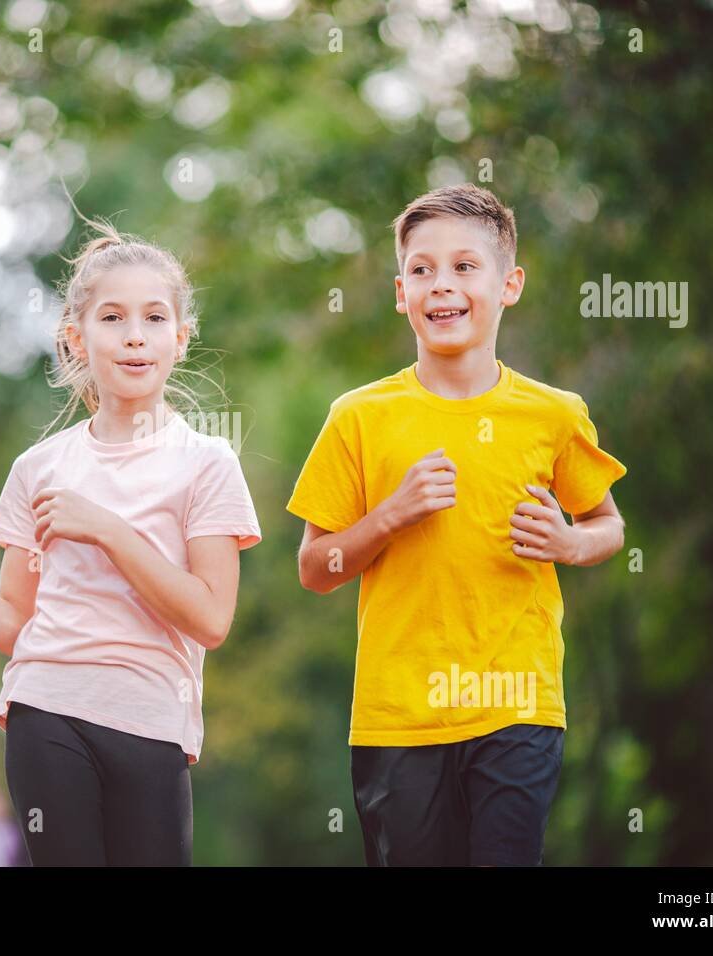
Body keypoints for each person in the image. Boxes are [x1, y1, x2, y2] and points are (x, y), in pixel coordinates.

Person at [0, 216, 261, 866]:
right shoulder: (39, 470)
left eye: (152, 318)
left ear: (181, 336)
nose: (134, 336)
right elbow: (15, 627)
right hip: (48, 708)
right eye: (112, 318)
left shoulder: (207, 463)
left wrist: (109, 530)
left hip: (154, 720)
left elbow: (211, 617)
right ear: (76, 338)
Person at [287, 183, 627, 866]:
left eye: (465, 267)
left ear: (510, 284)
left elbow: (609, 526)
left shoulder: (553, 414)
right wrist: (389, 515)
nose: (442, 285)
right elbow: (314, 568)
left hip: (517, 704)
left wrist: (570, 542)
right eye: (422, 269)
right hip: (399, 717)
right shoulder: (359, 416)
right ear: (400, 292)